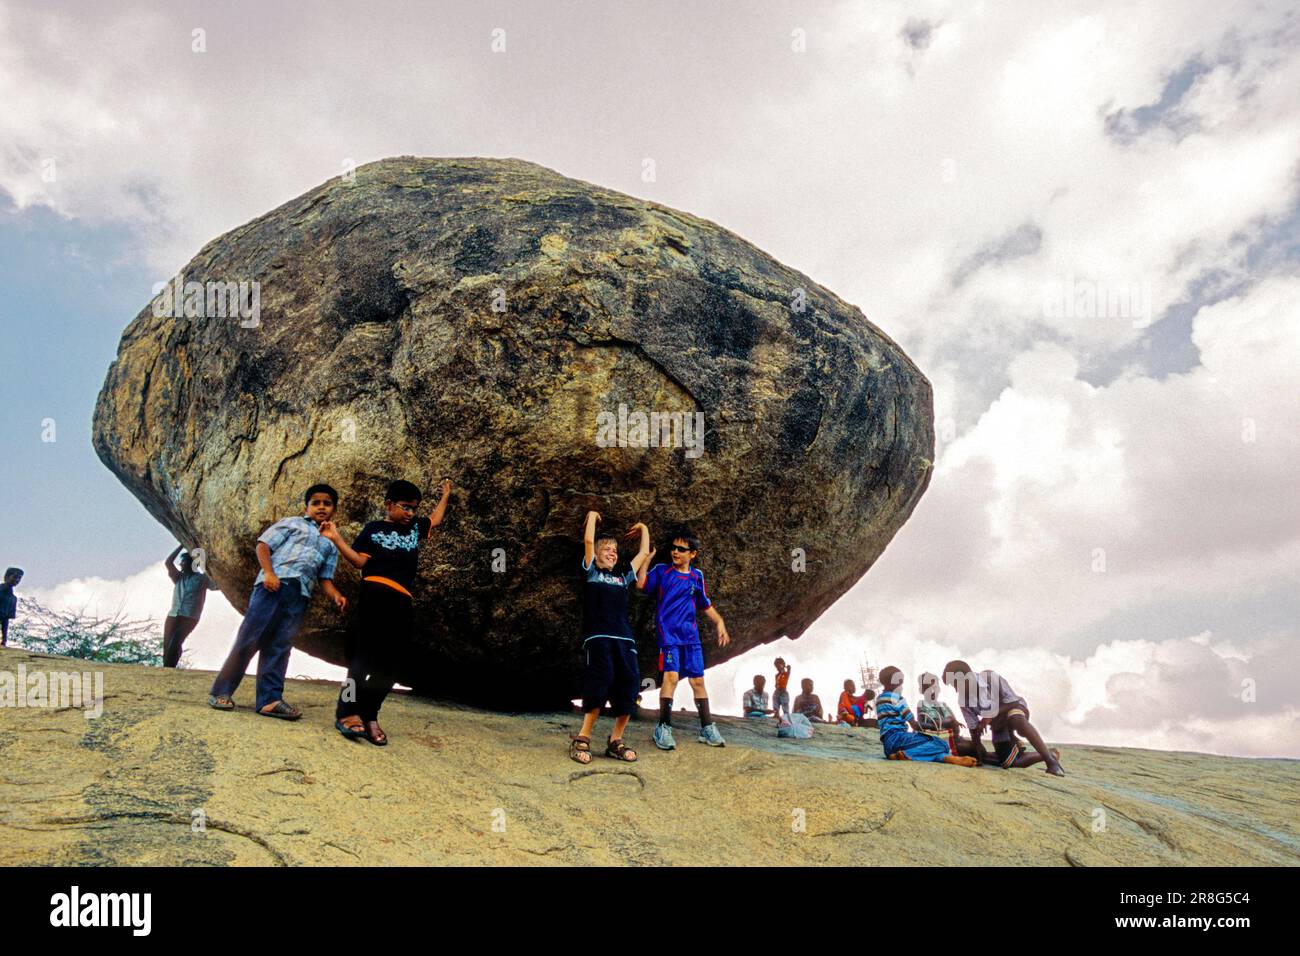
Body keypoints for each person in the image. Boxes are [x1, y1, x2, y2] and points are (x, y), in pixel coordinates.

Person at [324, 478, 451, 746]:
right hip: (374, 596)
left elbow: (435, 519)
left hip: (402, 601)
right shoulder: (374, 529)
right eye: (405, 507)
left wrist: (446, 495)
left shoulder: (416, 527)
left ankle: (370, 715)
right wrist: (336, 538)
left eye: (414, 508)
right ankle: (347, 713)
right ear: (389, 504)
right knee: (362, 660)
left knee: (392, 665)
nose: (410, 513)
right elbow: (359, 560)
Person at [208, 484, 347, 719]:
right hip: (273, 586)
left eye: (327, 503)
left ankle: (270, 700)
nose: (321, 507)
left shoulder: (330, 543)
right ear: (307, 506)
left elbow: (324, 577)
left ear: (334, 509)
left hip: (300, 594)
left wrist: (336, 595)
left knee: (281, 645)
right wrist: (269, 573)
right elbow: (263, 546)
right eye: (316, 503)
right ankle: (221, 691)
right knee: (250, 638)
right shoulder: (293, 523)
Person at [567, 512, 653, 764]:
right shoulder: (592, 572)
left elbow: (644, 553)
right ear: (597, 553)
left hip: (624, 639)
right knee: (599, 682)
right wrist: (592, 517)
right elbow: (587, 542)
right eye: (607, 548)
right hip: (599, 638)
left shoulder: (623, 576)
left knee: (630, 684)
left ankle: (615, 740)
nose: (612, 552)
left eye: (615, 549)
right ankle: (582, 738)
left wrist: (644, 528)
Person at [638, 528, 730, 750]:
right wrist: (647, 560)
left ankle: (707, 728)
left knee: (697, 681)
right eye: (673, 548)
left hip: (691, 638)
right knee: (670, 677)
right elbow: (641, 584)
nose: (675, 552)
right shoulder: (662, 571)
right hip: (669, 637)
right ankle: (663, 728)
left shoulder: (696, 577)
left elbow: (704, 603)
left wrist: (720, 622)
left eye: (681, 549)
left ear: (693, 554)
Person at [942, 660, 1065, 776]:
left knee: (1017, 720)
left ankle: (1051, 762)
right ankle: (1049, 753)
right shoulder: (964, 700)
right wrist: (978, 752)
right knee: (1008, 762)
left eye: (956, 684)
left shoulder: (990, 678)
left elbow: (1013, 701)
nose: (956, 689)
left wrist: (989, 715)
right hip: (998, 724)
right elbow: (974, 729)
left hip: (1014, 710)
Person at [875, 666, 977, 766]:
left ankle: (946, 758)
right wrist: (933, 727)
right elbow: (914, 725)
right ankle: (908, 754)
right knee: (941, 744)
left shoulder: (879, 699)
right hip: (899, 739)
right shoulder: (898, 699)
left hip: (888, 746)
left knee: (931, 749)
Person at [162, 546, 218, 667]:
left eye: (183, 561)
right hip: (173, 615)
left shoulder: (202, 579)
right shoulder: (178, 578)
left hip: (190, 618)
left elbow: (217, 585)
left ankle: (168, 669)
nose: (181, 564)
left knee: (176, 640)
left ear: (191, 563)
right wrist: (182, 544)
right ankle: (168, 670)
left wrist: (206, 564)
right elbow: (168, 562)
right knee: (168, 645)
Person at [916, 671, 988, 761]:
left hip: (954, 736)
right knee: (971, 748)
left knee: (978, 747)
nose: (933, 691)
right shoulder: (922, 704)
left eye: (935, 687)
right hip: (938, 738)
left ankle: (988, 757)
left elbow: (953, 719)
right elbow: (921, 724)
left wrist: (951, 722)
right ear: (922, 690)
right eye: (928, 688)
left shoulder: (943, 704)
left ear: (939, 689)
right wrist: (941, 723)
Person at [0, 567, 22, 647]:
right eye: (15, 577)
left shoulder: (13, 599)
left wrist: (4, 640)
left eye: (19, 578)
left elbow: (5, 620)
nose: (17, 580)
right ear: (6, 577)